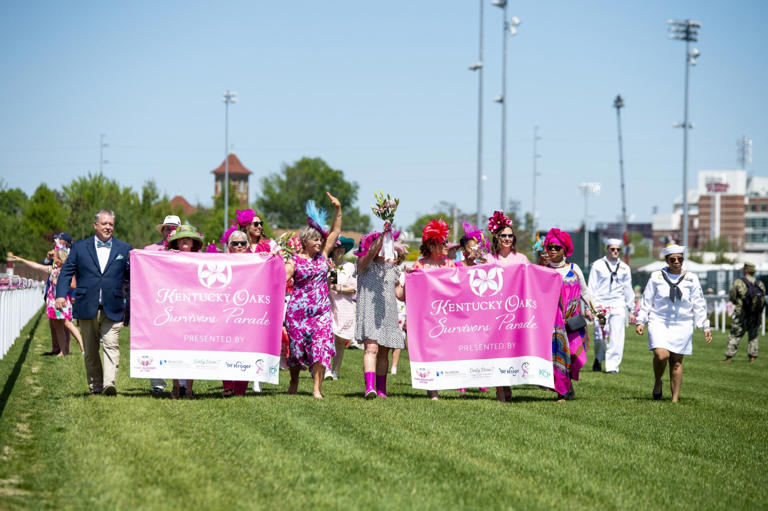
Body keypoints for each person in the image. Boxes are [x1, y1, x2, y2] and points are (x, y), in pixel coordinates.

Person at [55, 210, 131, 396]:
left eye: (111, 224)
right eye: (104, 224)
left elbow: (131, 278)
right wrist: (61, 295)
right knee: (90, 350)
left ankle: (109, 383)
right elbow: (66, 272)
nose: (108, 227)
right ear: (95, 225)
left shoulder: (124, 249)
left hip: (113, 306)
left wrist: (131, 302)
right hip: (87, 305)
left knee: (111, 344)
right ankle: (95, 386)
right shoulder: (80, 248)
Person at [635, 245, 712, 402]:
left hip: (682, 323)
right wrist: (640, 320)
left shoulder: (692, 278)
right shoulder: (656, 277)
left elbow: (698, 303)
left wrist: (705, 326)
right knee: (661, 355)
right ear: (667, 260)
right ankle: (658, 381)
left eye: (680, 259)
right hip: (659, 320)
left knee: (676, 362)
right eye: (673, 259)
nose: (677, 262)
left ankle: (674, 399)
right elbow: (646, 300)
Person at [284, 192, 342, 399]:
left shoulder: (323, 257)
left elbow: (335, 232)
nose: (319, 243)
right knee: (297, 351)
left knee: (321, 348)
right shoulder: (294, 261)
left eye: (320, 240)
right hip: (298, 314)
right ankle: (294, 380)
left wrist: (338, 209)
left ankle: (317, 388)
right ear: (306, 241)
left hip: (321, 313)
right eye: (315, 240)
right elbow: (279, 281)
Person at [544, 228, 595, 402]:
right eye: (549, 247)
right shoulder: (544, 271)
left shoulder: (574, 269)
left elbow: (585, 292)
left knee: (578, 357)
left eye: (556, 247)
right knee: (560, 356)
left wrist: (595, 309)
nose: (552, 250)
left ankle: (568, 384)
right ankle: (562, 392)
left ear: (564, 250)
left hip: (573, 322)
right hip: (554, 323)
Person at [355, 230, 406, 398]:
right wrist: (383, 235)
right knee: (371, 348)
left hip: (388, 314)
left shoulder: (392, 268)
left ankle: (382, 390)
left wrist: (410, 281)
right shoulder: (364, 264)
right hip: (369, 312)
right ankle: (370, 387)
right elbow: (369, 254)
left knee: (384, 352)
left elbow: (400, 294)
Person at [409, 218, 455, 400]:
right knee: (429, 351)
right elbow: (411, 293)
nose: (446, 245)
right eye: (443, 242)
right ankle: (432, 389)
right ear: (432, 244)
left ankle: (446, 382)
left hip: (447, 316)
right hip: (427, 317)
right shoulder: (419, 266)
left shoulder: (450, 265)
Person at [10, 249, 84, 355]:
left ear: (60, 259)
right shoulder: (52, 269)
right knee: (57, 326)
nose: (53, 258)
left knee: (67, 323)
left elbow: (73, 285)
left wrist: (58, 282)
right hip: (52, 301)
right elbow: (37, 266)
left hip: (62, 300)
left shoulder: (67, 270)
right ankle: (63, 351)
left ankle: (83, 346)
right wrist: (21, 259)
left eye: (55, 257)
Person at [143, 215, 181, 394]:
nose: (171, 231)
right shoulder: (150, 250)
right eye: (168, 228)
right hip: (157, 305)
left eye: (175, 229)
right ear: (163, 230)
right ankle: (157, 384)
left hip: (181, 306)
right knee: (156, 343)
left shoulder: (187, 252)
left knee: (181, 344)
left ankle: (181, 383)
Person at [166, 224, 204, 399]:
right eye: (182, 238)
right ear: (177, 242)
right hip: (175, 310)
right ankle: (175, 387)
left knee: (192, 349)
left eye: (188, 238)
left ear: (193, 242)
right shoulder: (168, 259)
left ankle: (188, 389)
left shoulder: (202, 260)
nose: (186, 241)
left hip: (195, 310)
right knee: (174, 347)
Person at [587, 238, 635, 373]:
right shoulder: (597, 265)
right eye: (612, 249)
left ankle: (612, 366)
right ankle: (598, 357)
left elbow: (628, 289)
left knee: (617, 335)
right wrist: (590, 307)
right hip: (600, 303)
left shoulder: (625, 268)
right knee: (599, 335)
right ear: (607, 249)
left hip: (618, 303)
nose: (615, 252)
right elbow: (591, 287)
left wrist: (631, 310)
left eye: (618, 250)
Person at [222, 230, 251, 397]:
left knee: (245, 349)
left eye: (242, 243)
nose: (239, 246)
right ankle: (227, 386)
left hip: (248, 312)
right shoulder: (221, 262)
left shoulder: (256, 261)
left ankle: (240, 389)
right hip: (225, 312)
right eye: (235, 243)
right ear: (229, 246)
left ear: (247, 246)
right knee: (226, 347)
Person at [327, 236, 357, 381]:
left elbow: (353, 289)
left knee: (340, 340)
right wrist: (338, 285)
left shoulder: (349, 266)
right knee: (327, 336)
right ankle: (325, 368)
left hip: (344, 306)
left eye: (341, 248)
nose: (339, 251)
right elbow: (331, 286)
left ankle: (335, 370)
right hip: (329, 304)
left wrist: (338, 288)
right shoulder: (327, 264)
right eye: (336, 248)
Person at [723, 262, 765, 364]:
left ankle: (729, 357)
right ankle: (752, 358)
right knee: (753, 335)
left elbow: (732, 296)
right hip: (755, 314)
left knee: (735, 335)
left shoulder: (738, 282)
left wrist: (736, 302)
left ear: (745, 270)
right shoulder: (760, 283)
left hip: (741, 312)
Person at [42, 232, 73, 355]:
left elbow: (73, 278)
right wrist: (48, 258)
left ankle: (65, 349)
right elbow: (45, 265)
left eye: (59, 239)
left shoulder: (69, 254)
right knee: (53, 323)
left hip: (64, 294)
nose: (57, 241)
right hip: (51, 293)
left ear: (65, 242)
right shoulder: (54, 253)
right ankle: (56, 348)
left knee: (65, 323)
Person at [391, 242, 409, 375]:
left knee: (399, 338)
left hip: (400, 309)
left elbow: (404, 295)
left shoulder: (402, 274)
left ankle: (394, 367)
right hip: (387, 307)